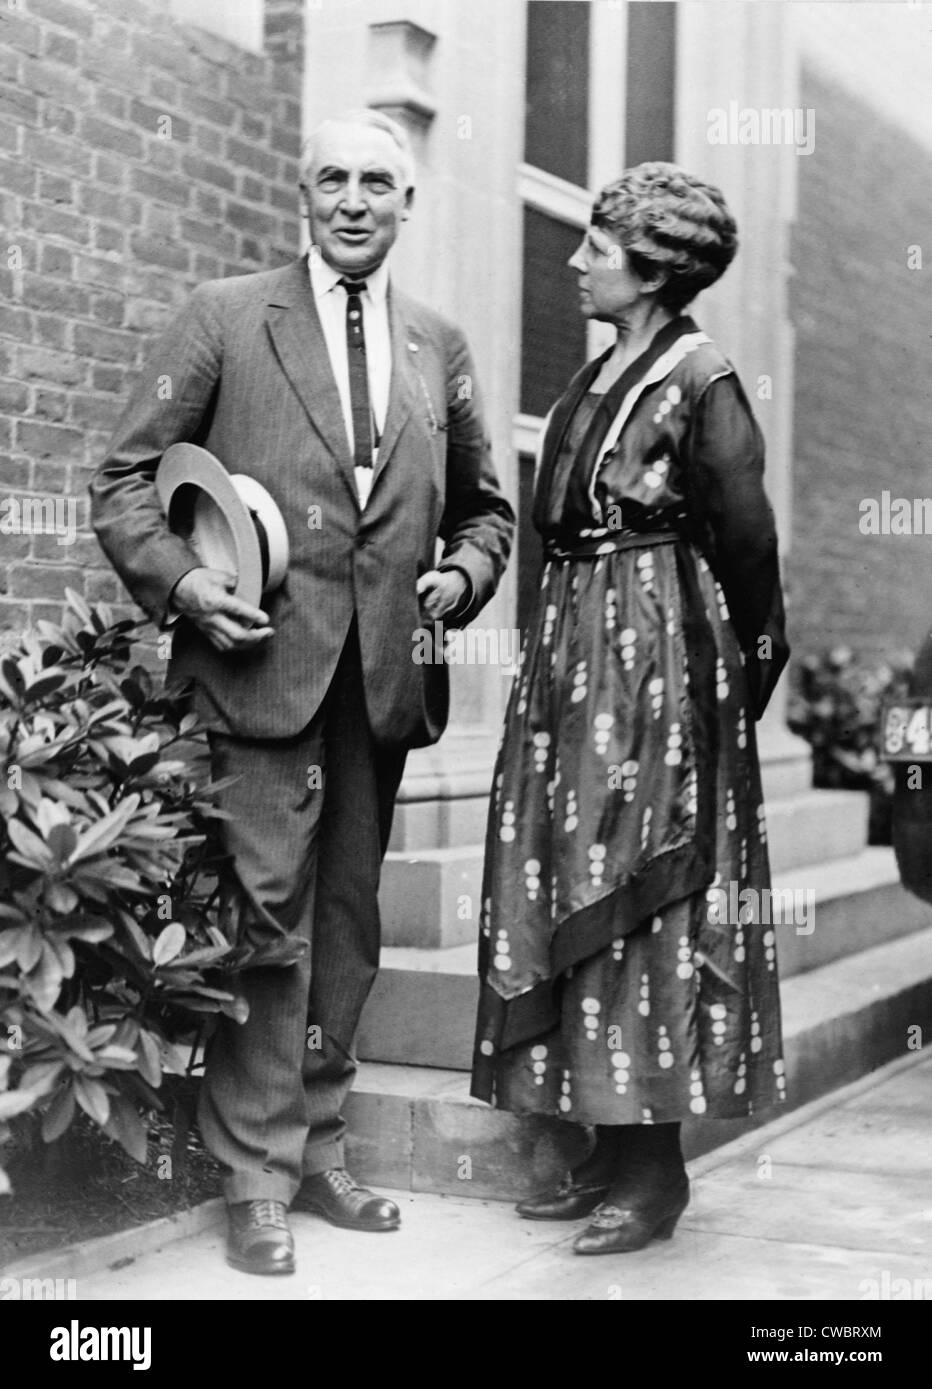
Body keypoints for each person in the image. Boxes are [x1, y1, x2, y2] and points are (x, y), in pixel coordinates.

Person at [90, 109, 514, 1276]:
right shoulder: (225, 317)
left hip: (378, 683)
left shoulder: (440, 345)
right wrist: (183, 586)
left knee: (345, 925)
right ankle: (252, 1175)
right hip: (257, 667)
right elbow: (125, 478)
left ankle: (320, 1149)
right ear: (304, 196)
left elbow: (485, 509)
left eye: (379, 181)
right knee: (268, 922)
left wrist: (464, 572)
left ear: (409, 204)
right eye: (333, 178)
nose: (355, 199)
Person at [471, 162, 789, 1255]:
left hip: (653, 651)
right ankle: (599, 1144)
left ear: (650, 268)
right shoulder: (596, 376)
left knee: (638, 879)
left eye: (595, 248)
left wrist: (720, 701)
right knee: (564, 869)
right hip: (572, 649)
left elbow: (747, 548)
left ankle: (653, 1173)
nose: (572, 261)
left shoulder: (702, 377)